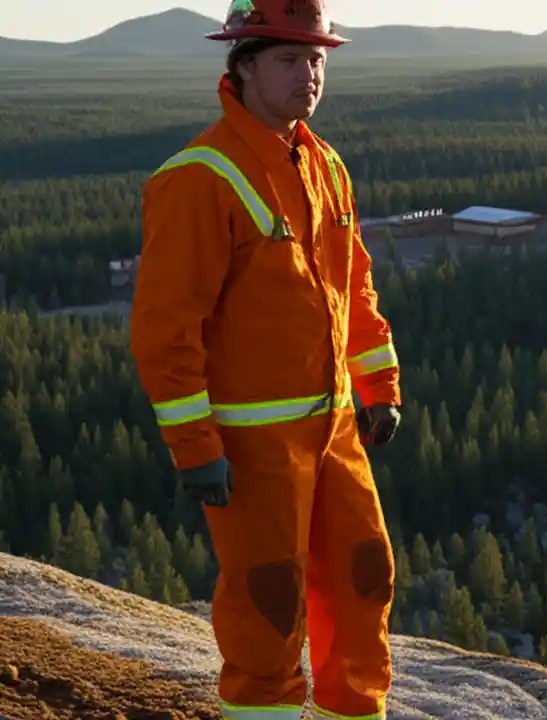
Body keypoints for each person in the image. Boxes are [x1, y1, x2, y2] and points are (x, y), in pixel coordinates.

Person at [128, 1, 402, 717]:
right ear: (243, 66)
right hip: (251, 446)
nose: (307, 73)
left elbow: (355, 285)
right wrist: (194, 445)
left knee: (365, 578)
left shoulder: (323, 164)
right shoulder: (199, 177)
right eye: (288, 58)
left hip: (336, 428)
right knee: (271, 603)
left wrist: (378, 384)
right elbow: (165, 328)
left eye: (316, 59)